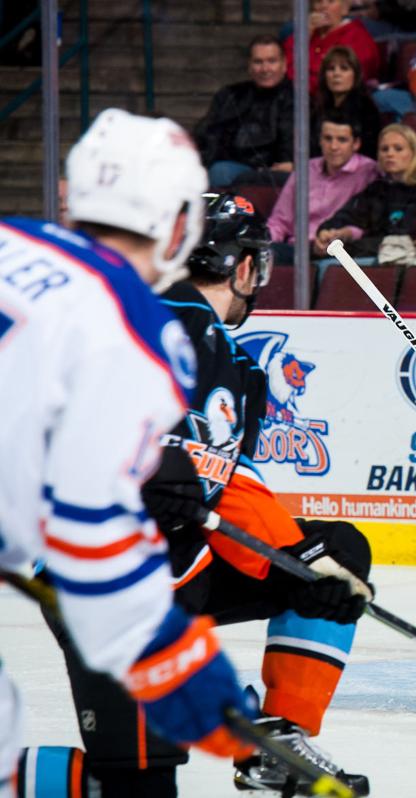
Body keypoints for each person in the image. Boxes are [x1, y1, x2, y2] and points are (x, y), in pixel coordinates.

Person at [26, 193, 375, 797]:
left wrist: (298, 563)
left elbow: (228, 484)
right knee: (136, 787)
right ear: (243, 267)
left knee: (335, 550)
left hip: (181, 575)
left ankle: (279, 741)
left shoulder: (237, 364)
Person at [0, 108, 254, 796]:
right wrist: (184, 671)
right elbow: (90, 532)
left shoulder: (9, 241)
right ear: (178, 225)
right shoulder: (139, 331)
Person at [316, 124, 416, 261]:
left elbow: (399, 239)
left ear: (414, 153)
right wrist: (327, 232)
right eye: (384, 149)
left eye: (398, 149)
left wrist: (348, 246)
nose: (390, 154)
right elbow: (346, 215)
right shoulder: (377, 189)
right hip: (368, 253)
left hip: (400, 259)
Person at [266, 114, 379, 264]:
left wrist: (339, 236)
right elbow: (280, 221)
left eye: (342, 140)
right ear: (320, 140)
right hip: (297, 248)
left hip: (338, 247)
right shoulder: (306, 168)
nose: (333, 146)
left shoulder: (368, 171)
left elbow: (364, 223)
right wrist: (264, 240)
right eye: (328, 138)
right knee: (260, 255)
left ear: (356, 143)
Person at [193, 34, 294, 189]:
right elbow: (208, 136)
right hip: (236, 170)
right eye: (258, 62)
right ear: (249, 66)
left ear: (284, 64)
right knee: (218, 171)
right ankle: (222, 213)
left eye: (272, 61)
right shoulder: (230, 95)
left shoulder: (298, 98)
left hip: (279, 173)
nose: (265, 69)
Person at [284, 0, 381, 94]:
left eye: (331, 1)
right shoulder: (308, 33)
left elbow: (340, 82)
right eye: (318, 1)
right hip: (296, 95)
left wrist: (294, 80)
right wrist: (305, 33)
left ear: (344, 9)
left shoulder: (357, 38)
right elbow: (283, 64)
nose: (323, 6)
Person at [311, 45, 383, 160]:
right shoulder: (318, 108)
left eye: (344, 68)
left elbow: (369, 154)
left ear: (355, 75)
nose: (336, 74)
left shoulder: (367, 110)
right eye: (331, 69)